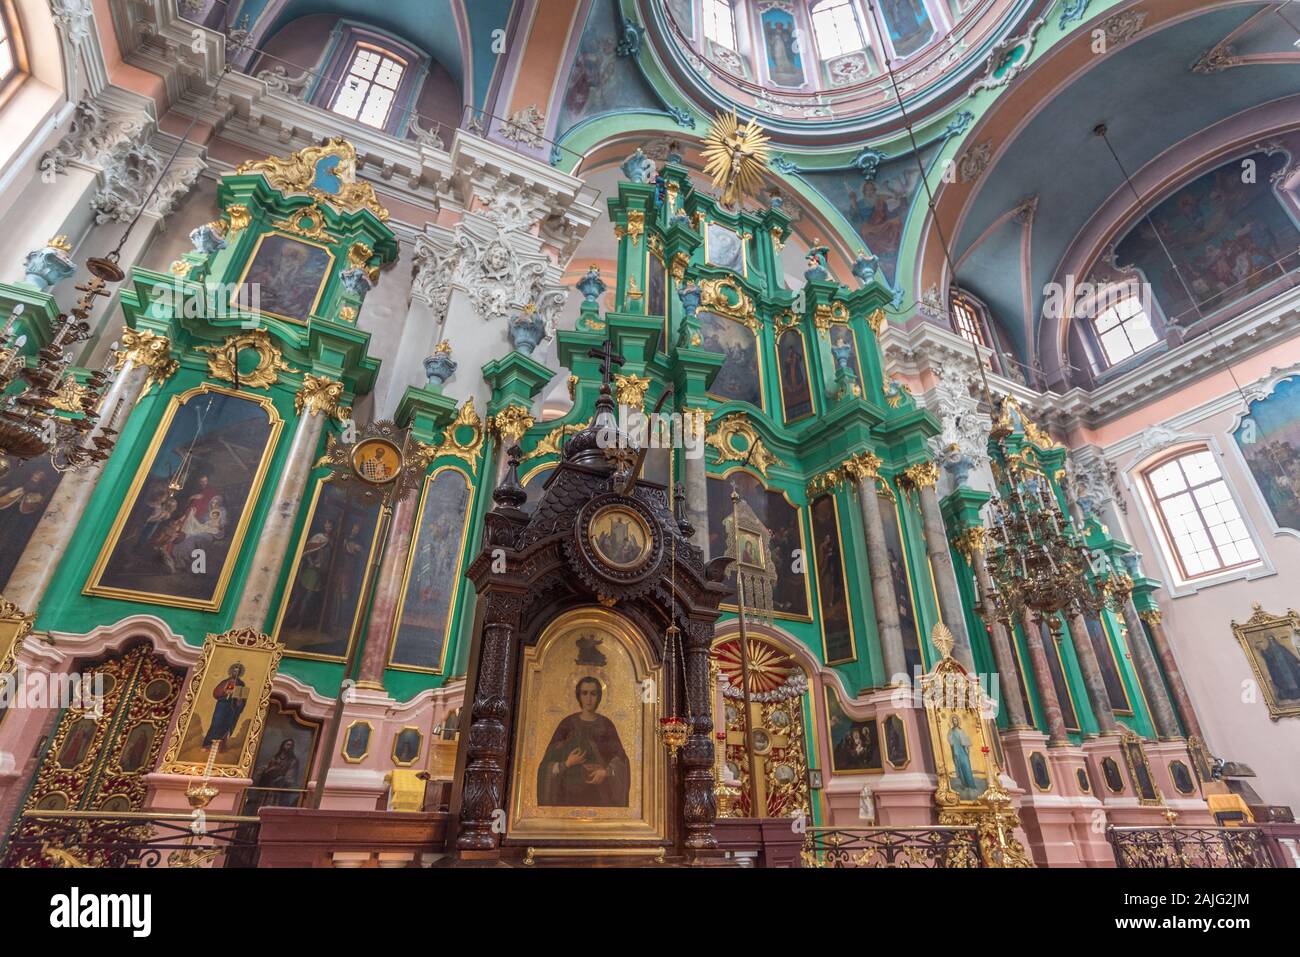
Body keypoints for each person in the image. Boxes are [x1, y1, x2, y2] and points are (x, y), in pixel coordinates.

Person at [537, 676, 629, 807]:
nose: (589, 699)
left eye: (593, 693)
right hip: (567, 798)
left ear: (599, 697)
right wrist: (566, 764)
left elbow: (621, 760)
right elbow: (545, 766)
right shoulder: (567, 724)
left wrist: (606, 772)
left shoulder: (606, 725)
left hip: (600, 796)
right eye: (584, 693)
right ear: (578, 696)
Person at [204, 662, 249, 749]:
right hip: (222, 705)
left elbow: (242, 699)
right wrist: (224, 691)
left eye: (237, 672)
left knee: (227, 725)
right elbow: (216, 693)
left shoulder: (241, 684)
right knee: (216, 723)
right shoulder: (225, 681)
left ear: (240, 673)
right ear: (231, 672)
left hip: (232, 707)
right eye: (234, 671)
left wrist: (239, 700)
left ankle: (220, 746)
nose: (235, 673)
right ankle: (208, 744)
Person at [948, 714, 979, 798]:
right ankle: (965, 785)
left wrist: (966, 743)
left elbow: (966, 739)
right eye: (953, 720)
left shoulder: (961, 730)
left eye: (956, 720)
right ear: (952, 722)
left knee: (967, 767)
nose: (955, 722)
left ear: (958, 721)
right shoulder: (951, 731)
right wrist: (950, 736)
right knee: (961, 768)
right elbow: (950, 741)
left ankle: (971, 785)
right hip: (957, 752)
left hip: (963, 751)